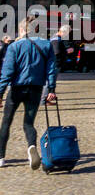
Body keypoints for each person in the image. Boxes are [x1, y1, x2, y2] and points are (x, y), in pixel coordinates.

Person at [0, 16, 57, 169]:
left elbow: (7, 73)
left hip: (17, 88)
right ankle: (31, 146)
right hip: (36, 89)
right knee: (28, 123)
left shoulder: (15, 46)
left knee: (6, 122)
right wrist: (51, 89)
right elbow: (51, 69)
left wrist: (0, 94)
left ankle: (1, 157)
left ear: (22, 29)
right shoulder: (47, 45)